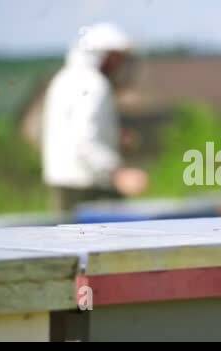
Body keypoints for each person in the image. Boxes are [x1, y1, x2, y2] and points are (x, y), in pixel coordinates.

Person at [42, 22, 148, 212]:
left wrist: (113, 136)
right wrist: (118, 174)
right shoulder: (94, 84)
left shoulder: (63, 78)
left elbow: (74, 131)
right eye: (118, 58)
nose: (121, 65)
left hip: (67, 184)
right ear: (105, 56)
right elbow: (85, 142)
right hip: (90, 187)